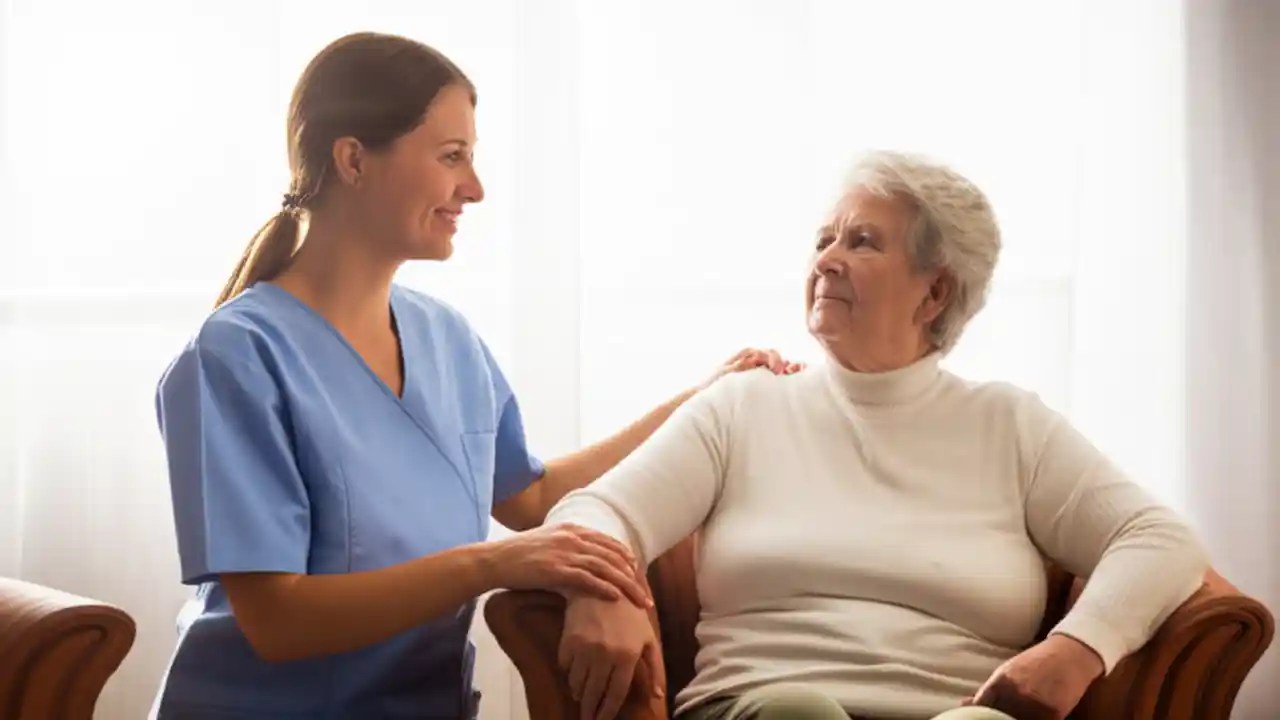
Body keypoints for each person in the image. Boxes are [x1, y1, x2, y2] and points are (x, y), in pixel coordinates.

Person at [151, 32, 799, 719]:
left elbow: (534, 496)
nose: (475, 188)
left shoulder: (447, 339)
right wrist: (491, 564)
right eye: (451, 156)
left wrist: (703, 400)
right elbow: (277, 621)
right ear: (353, 160)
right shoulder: (235, 357)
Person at [545, 151, 1209, 720]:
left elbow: (1160, 539)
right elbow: (595, 508)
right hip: (768, 707)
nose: (828, 260)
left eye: (861, 242)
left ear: (934, 294)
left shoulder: (1009, 425)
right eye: (823, 240)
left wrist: (1077, 649)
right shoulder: (742, 408)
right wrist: (603, 590)